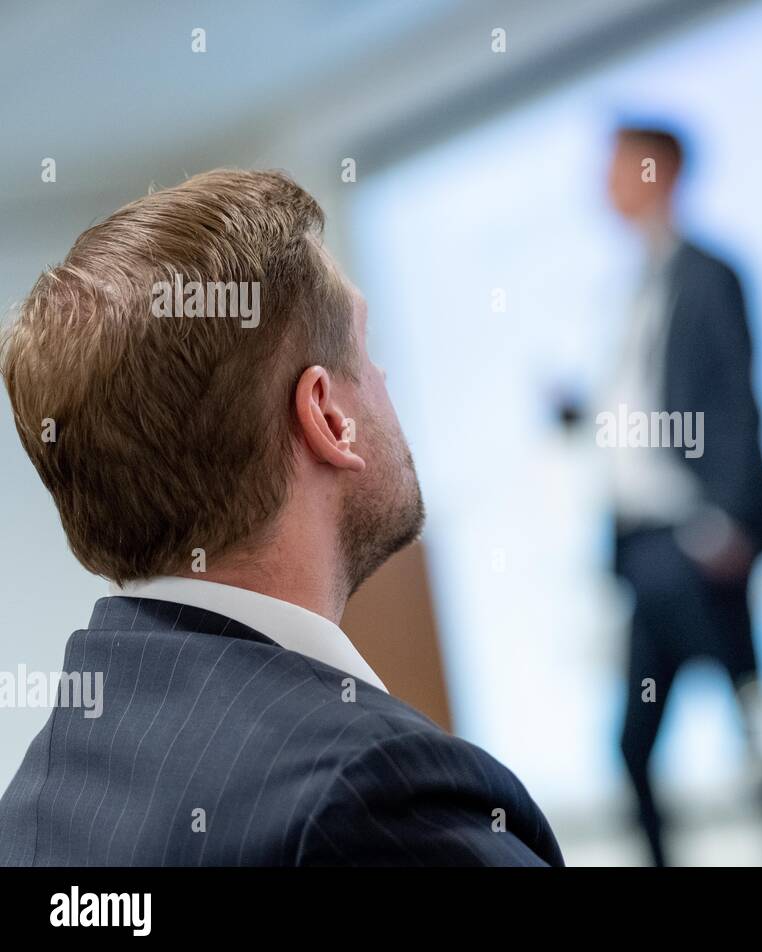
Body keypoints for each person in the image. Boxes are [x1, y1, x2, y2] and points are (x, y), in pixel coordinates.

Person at [0, 170, 563, 866]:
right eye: (366, 345)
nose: (384, 379)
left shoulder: (34, 803)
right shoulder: (371, 801)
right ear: (327, 416)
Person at [600, 124, 762, 866]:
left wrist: (727, 517)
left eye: (616, 167)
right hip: (645, 544)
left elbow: (735, 400)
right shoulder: (634, 286)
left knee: (760, 724)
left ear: (659, 171)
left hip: (697, 538)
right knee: (637, 744)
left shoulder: (709, 275)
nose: (604, 183)